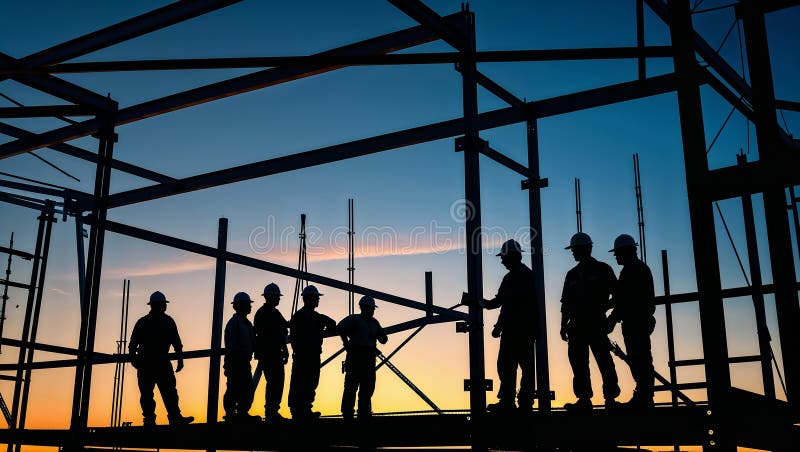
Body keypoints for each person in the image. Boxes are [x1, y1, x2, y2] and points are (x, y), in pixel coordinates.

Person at [560, 232, 620, 412]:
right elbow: (566, 302)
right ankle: (584, 399)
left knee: (604, 361)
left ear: (586, 249)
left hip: (596, 324)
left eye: (575, 250)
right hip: (577, 326)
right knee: (578, 363)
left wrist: (608, 316)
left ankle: (610, 398)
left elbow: (618, 296)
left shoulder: (603, 269)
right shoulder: (572, 274)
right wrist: (563, 325)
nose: (573, 253)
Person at [480, 239, 538, 414]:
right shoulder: (522, 275)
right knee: (523, 366)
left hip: (516, 331)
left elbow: (508, 305)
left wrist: (498, 326)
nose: (502, 261)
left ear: (511, 256)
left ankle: (509, 401)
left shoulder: (516, 277)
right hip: (525, 330)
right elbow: (499, 301)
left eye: (503, 257)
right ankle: (523, 401)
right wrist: (481, 303)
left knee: (507, 366)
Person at [128, 291, 194, 427]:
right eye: (163, 304)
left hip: (151, 363)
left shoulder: (146, 322)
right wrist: (134, 360)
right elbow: (133, 344)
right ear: (161, 305)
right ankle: (164, 418)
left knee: (159, 393)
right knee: (157, 393)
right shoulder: (163, 321)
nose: (164, 307)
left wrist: (134, 360)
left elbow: (176, 342)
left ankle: (155, 419)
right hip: (152, 363)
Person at [607, 234, 656, 409]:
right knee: (639, 359)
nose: (615, 256)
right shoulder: (635, 269)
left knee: (640, 359)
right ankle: (644, 394)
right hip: (637, 321)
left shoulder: (632, 270)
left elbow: (625, 300)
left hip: (637, 322)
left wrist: (612, 318)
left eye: (617, 253)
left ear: (626, 251)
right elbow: (622, 298)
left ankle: (644, 396)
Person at [287, 285, 336, 420]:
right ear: (309, 299)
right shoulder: (302, 316)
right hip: (304, 356)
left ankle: (304, 409)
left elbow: (332, 323)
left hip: (310, 355)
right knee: (301, 382)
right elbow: (295, 337)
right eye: (316, 298)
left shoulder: (312, 316)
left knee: (310, 382)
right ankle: (299, 411)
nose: (318, 300)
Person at [338, 295, 388, 420]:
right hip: (356, 356)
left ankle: (364, 412)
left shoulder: (374, 322)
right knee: (351, 386)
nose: (372, 311)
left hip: (368, 357)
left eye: (372, 309)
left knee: (367, 387)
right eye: (370, 308)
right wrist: (346, 343)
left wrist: (378, 333)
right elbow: (341, 328)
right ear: (364, 308)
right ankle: (348, 412)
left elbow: (384, 339)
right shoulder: (355, 319)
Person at [253, 283, 289, 422]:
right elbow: (278, 333)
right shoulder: (269, 313)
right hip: (271, 353)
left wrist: (284, 350)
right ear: (271, 297)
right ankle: (272, 412)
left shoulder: (265, 312)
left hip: (270, 353)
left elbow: (281, 330)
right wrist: (284, 350)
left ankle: (272, 411)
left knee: (274, 382)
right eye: (277, 297)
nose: (279, 299)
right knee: (275, 381)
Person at [223, 291, 259, 422]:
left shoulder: (247, 324)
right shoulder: (234, 324)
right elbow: (231, 345)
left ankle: (242, 412)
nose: (250, 307)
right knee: (233, 388)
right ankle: (231, 414)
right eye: (247, 304)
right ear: (240, 306)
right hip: (235, 361)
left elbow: (253, 341)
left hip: (243, 361)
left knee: (247, 388)